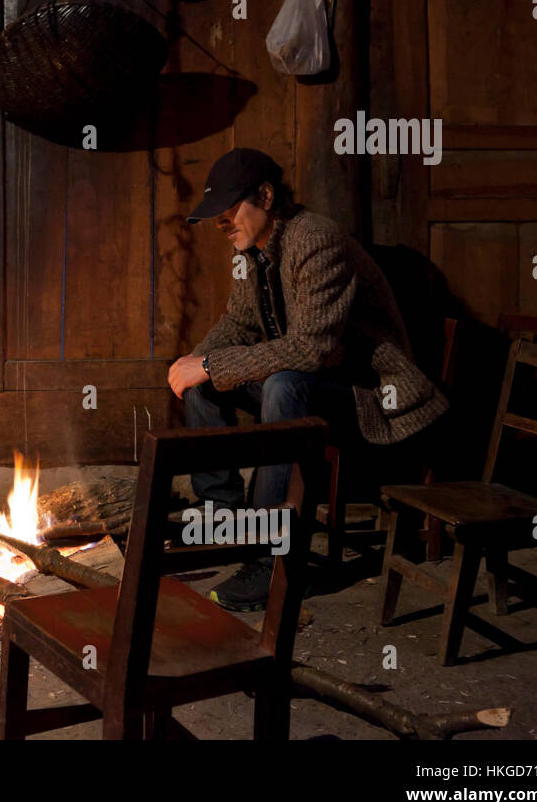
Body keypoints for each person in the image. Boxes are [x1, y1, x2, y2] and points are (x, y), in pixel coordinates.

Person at [167, 148, 448, 611]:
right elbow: (239, 325)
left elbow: (311, 349)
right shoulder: (254, 251)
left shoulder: (315, 240)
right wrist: (196, 362)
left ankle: (267, 557)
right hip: (307, 381)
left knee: (282, 384)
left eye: (231, 211)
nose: (222, 224)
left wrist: (213, 365)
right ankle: (227, 523)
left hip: (366, 390)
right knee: (201, 383)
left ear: (266, 195)